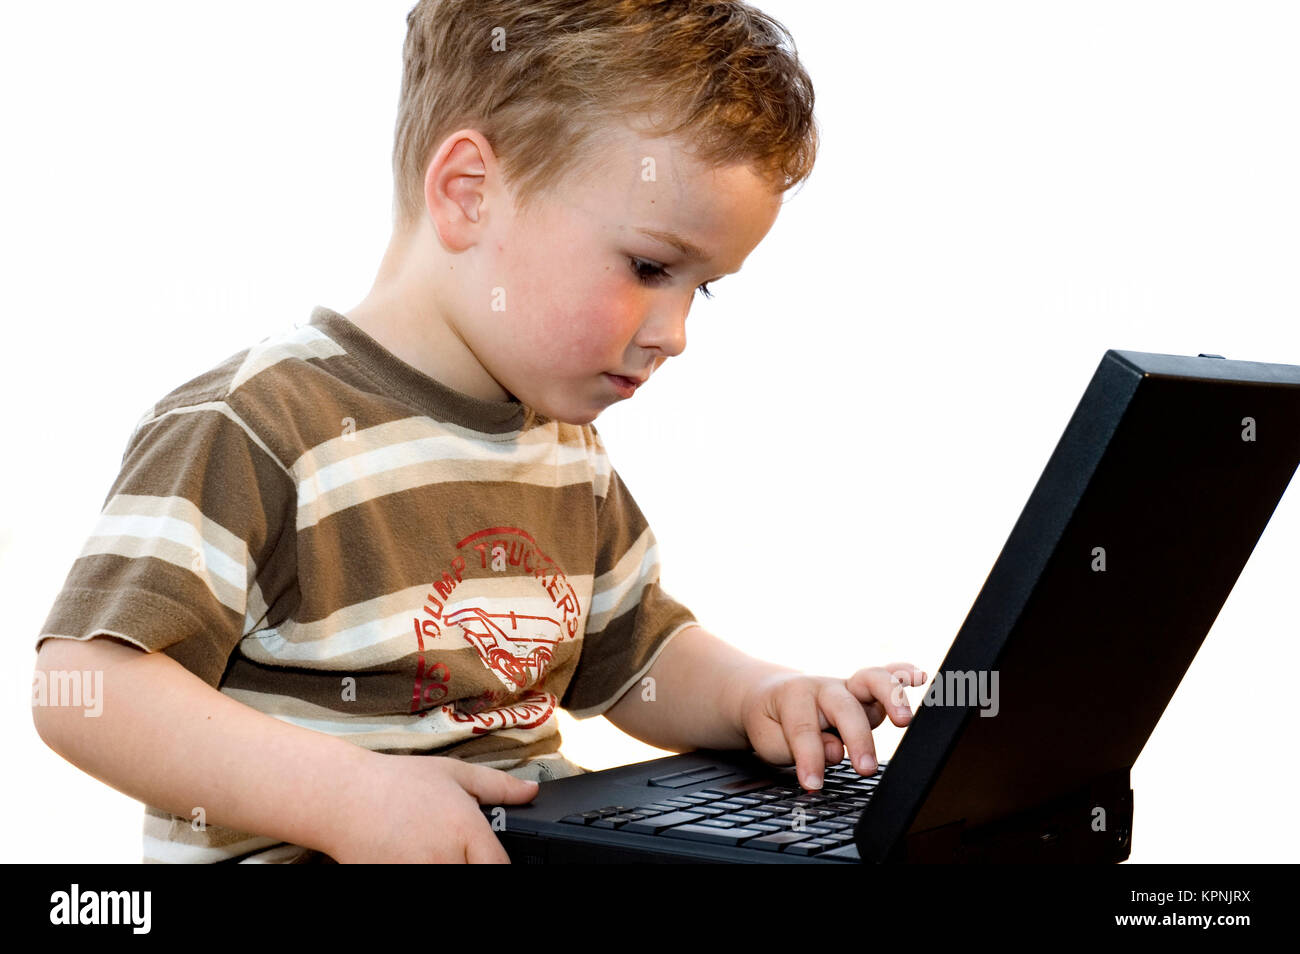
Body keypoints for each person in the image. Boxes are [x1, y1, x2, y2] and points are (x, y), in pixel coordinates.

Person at [31, 0, 925, 864]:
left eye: (702, 287)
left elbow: (635, 654)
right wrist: (348, 798)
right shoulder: (258, 425)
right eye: (650, 266)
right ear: (468, 195)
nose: (673, 333)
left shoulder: (563, 453)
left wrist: (763, 698)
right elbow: (87, 690)